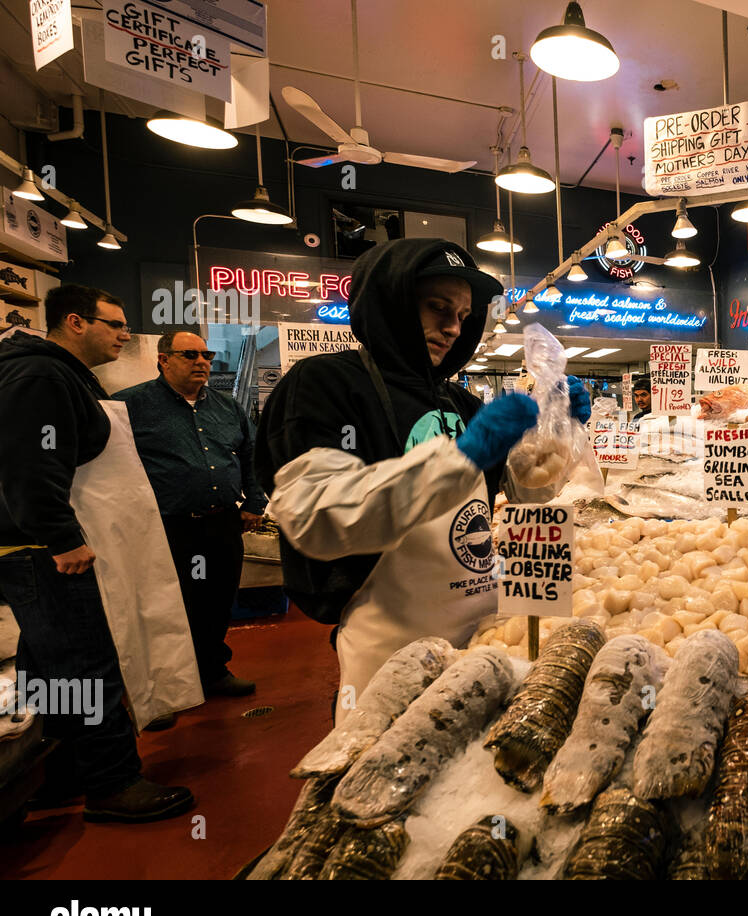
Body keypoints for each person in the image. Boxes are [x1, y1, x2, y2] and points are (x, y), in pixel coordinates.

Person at [256, 239, 590, 717]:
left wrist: (561, 432)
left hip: (488, 631)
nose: (453, 327)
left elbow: (527, 500)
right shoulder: (323, 385)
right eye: (437, 308)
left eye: (463, 314)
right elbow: (319, 516)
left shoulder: (460, 402)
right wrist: (460, 457)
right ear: (391, 300)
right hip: (391, 641)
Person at [0, 284, 195, 822]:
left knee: (50, 667)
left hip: (35, 549)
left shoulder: (53, 373)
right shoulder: (41, 374)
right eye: (114, 323)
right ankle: (113, 784)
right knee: (85, 662)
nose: (125, 334)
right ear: (75, 322)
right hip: (44, 551)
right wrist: (61, 538)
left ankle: (65, 775)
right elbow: (28, 462)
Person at [114, 329, 266, 701]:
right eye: (190, 355)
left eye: (207, 356)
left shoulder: (226, 406)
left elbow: (251, 454)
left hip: (221, 524)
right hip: (167, 527)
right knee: (163, 607)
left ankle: (212, 671)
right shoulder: (129, 405)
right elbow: (115, 467)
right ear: (163, 359)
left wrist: (253, 502)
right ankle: (160, 690)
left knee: (216, 600)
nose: (203, 363)